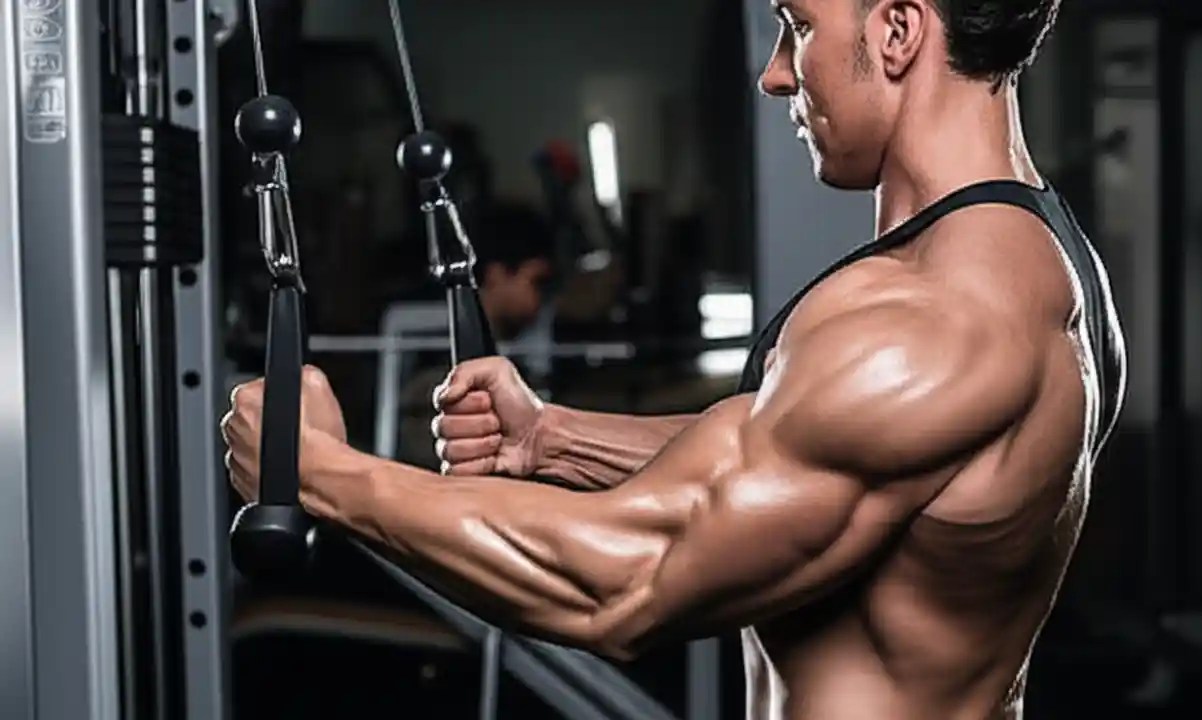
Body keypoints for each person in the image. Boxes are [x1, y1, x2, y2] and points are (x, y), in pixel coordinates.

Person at [223, 1, 1128, 717]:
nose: (777, 75)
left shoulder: (933, 323)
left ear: (896, 30)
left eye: (797, 26)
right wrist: (554, 440)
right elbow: (787, 446)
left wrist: (320, 476)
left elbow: (631, 583)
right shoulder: (1037, 259)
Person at [397, 201, 555, 469]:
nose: (542, 298)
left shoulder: (528, 353)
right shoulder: (430, 365)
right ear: (496, 274)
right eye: (536, 282)